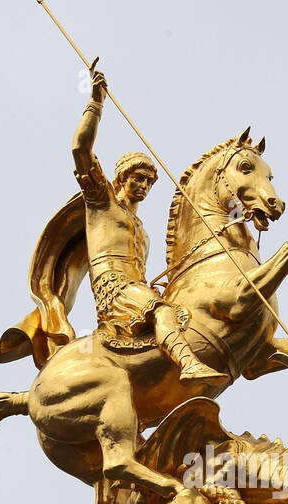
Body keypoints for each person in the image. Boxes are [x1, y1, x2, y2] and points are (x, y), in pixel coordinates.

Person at [72, 67, 225, 381]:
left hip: (136, 288)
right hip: (114, 291)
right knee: (162, 311)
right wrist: (96, 104)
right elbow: (80, 149)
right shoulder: (102, 203)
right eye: (137, 178)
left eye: (149, 181)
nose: (143, 185)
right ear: (121, 178)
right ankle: (190, 365)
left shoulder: (142, 231)